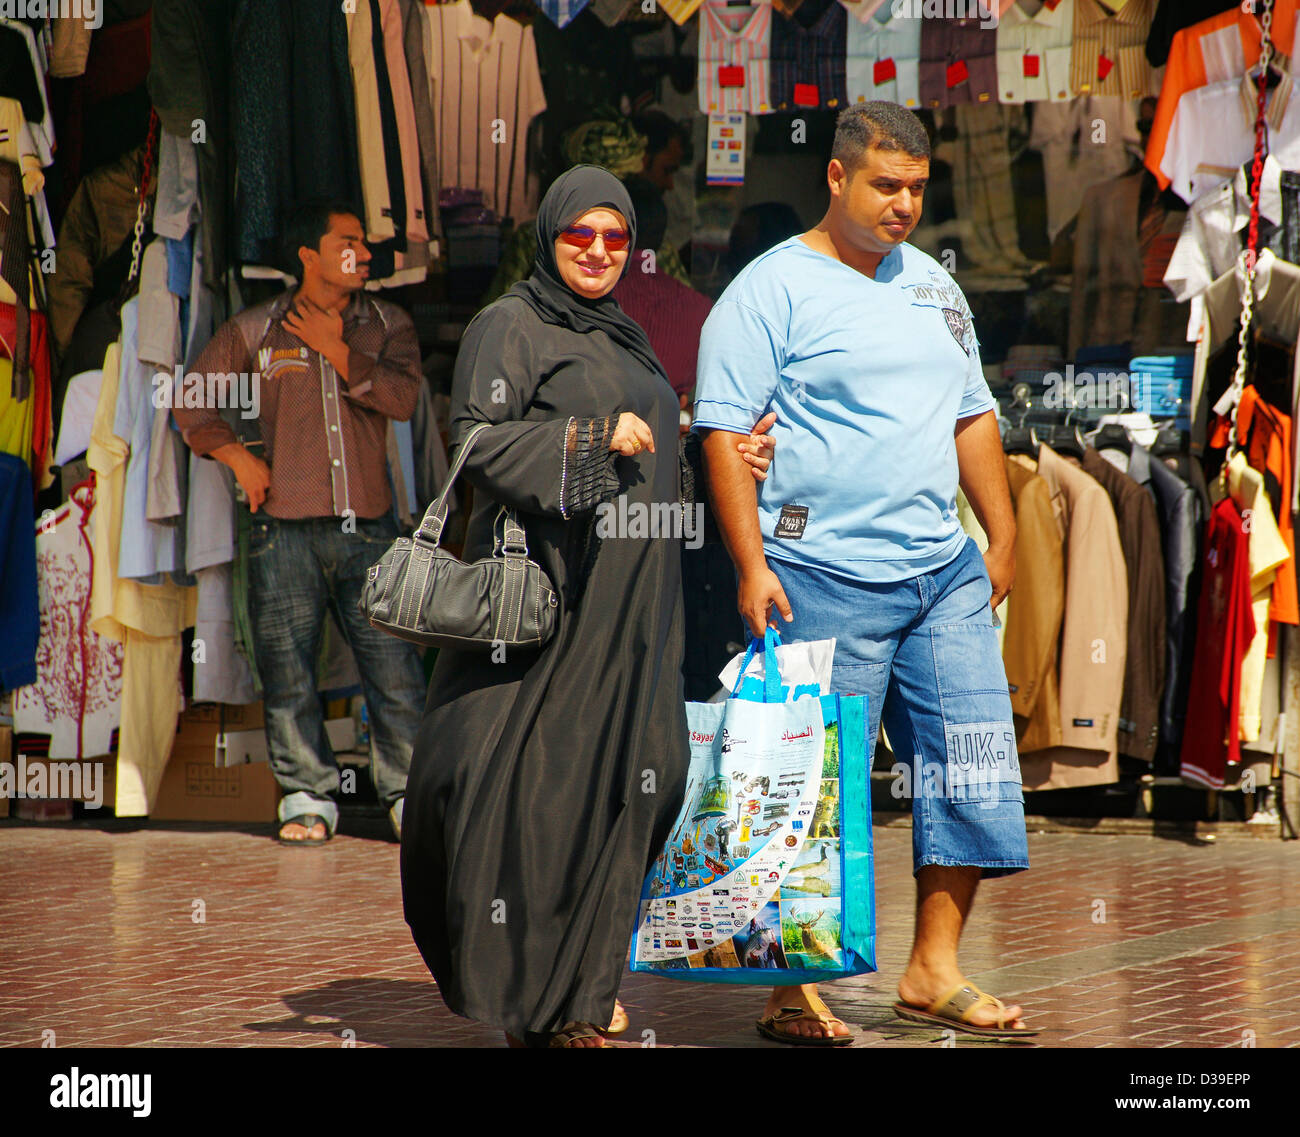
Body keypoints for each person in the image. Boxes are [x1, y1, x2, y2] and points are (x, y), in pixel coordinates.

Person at [400, 165, 776, 1048]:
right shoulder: (511, 326)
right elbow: (477, 446)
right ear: (552, 235)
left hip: (638, 608)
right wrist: (585, 438)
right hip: (551, 606)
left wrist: (713, 462)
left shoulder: (626, 335)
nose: (599, 251)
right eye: (582, 235)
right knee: (537, 797)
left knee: (644, 780)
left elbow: (652, 456)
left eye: (615, 237)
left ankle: (585, 984)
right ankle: (544, 999)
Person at [694, 101, 1036, 1044]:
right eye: (887, 185)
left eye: (919, 188)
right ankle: (790, 988)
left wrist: (1000, 538)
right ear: (836, 177)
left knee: (967, 766)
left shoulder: (934, 286)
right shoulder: (770, 291)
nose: (904, 205)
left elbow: (973, 414)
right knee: (807, 782)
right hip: (816, 575)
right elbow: (721, 432)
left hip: (941, 573)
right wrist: (750, 565)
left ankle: (934, 968)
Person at [173, 201, 427, 847]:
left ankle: (411, 797)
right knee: (287, 673)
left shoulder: (389, 323)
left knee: (395, 669)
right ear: (308, 255)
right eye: (348, 241)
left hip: (370, 528)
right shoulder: (256, 327)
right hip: (280, 528)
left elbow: (402, 400)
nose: (365, 253)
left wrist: (336, 350)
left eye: (365, 243)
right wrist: (235, 456)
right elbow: (190, 397)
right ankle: (307, 796)